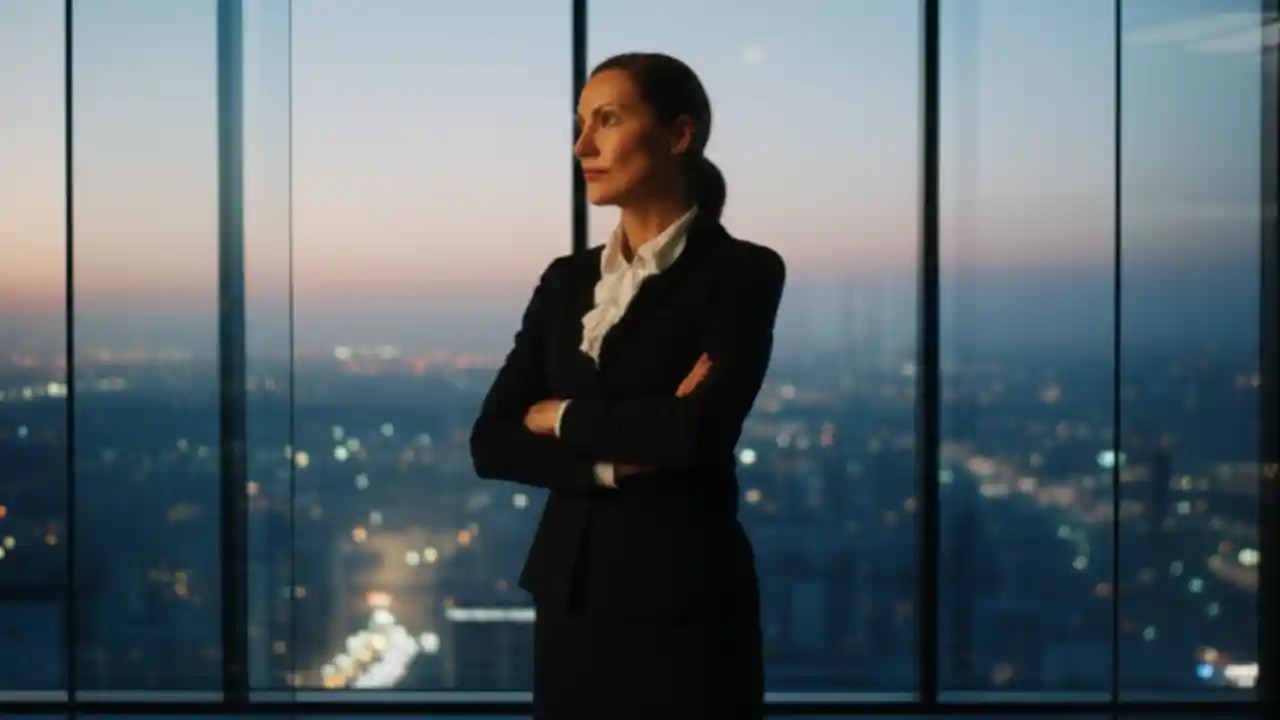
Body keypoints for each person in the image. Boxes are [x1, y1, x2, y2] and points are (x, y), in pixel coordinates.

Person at [469, 50, 786, 719]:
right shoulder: (565, 281)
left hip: (685, 601)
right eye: (580, 123)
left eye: (607, 120)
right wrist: (613, 462)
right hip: (570, 596)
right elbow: (491, 442)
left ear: (678, 134)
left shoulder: (742, 273)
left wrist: (558, 416)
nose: (582, 145)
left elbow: (694, 433)